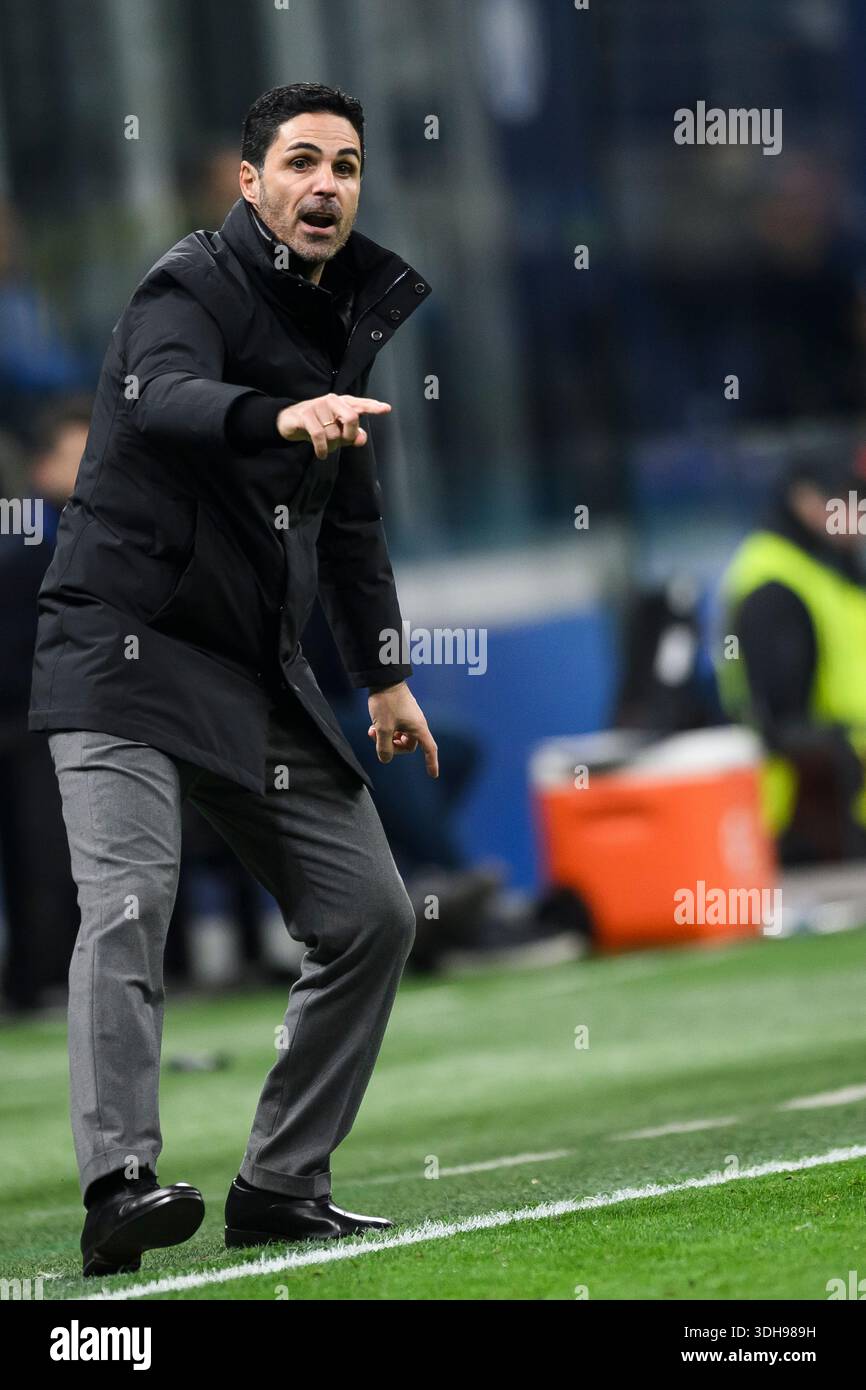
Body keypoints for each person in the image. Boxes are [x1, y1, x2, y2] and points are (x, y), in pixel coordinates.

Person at [29, 83, 437, 1277]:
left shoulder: (343, 314)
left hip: (245, 670)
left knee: (369, 913)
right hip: (119, 647)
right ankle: (118, 1186)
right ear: (248, 182)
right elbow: (163, 401)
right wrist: (279, 412)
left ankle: (280, 1185)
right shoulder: (186, 285)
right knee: (126, 905)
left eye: (347, 165)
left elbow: (349, 521)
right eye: (301, 162)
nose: (327, 185)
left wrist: (386, 675)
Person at [717, 447, 866, 863]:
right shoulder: (775, 585)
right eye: (850, 499)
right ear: (805, 499)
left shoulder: (836, 565)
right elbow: (782, 722)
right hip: (808, 822)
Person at [0, 398, 88, 1010]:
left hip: (88, 710)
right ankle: (41, 974)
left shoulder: (106, 529)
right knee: (43, 842)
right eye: (75, 458)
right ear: (41, 467)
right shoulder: (21, 545)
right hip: (27, 720)